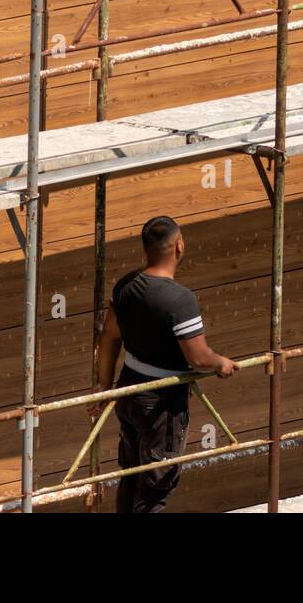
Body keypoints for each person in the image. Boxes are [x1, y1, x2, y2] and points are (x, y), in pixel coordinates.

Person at [90, 215, 236, 513]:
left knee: (129, 473)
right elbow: (198, 358)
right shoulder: (179, 300)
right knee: (156, 485)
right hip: (161, 403)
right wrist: (221, 363)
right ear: (179, 246)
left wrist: (105, 388)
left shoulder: (126, 286)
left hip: (127, 390)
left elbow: (108, 336)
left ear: (146, 249)